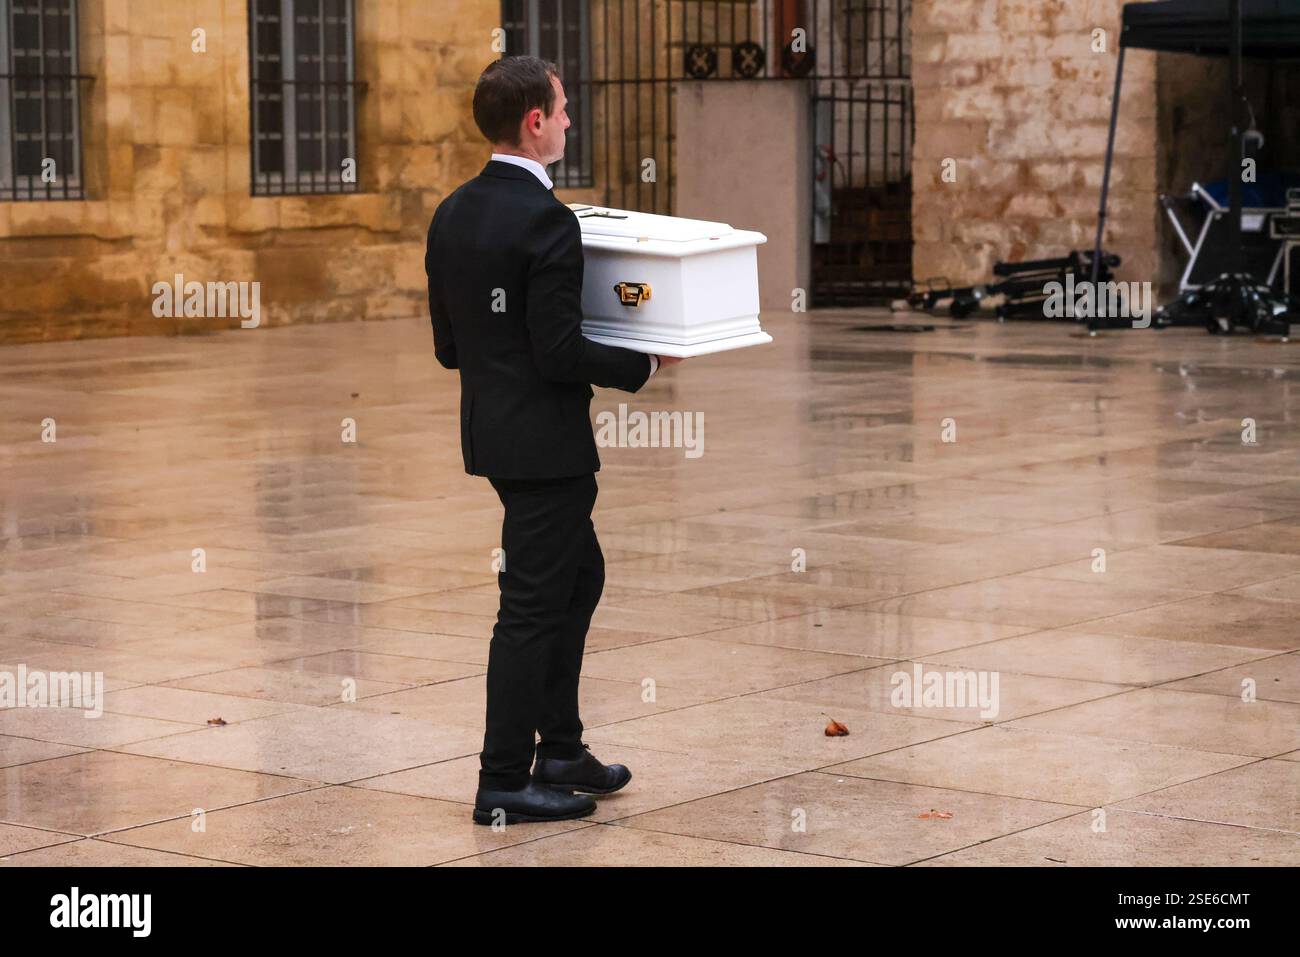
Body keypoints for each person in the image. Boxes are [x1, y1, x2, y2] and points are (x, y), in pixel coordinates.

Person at [425, 55, 682, 825]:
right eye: (563, 110)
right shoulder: (548, 219)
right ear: (534, 121)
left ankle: (561, 748)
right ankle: (503, 777)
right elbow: (560, 351)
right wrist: (644, 360)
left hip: (494, 435)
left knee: (579, 576)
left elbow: (449, 346)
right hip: (545, 447)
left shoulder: (452, 212)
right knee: (532, 607)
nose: (570, 120)